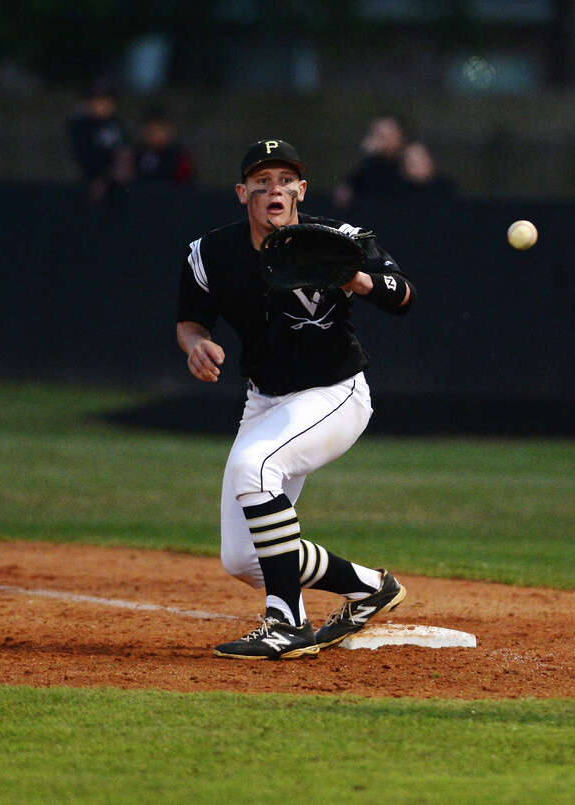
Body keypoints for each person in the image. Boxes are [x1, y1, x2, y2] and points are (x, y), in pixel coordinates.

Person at [176, 139, 415, 659]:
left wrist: (355, 278)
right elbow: (191, 320)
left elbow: (404, 294)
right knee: (244, 559)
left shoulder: (336, 238)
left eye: (285, 181)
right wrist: (197, 344)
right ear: (243, 194)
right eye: (261, 183)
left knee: (252, 466)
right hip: (266, 401)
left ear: (301, 191)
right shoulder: (211, 252)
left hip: (334, 393)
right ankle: (370, 588)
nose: (274, 190)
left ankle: (287, 623)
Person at [65, 78, 134, 203]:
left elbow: (126, 151)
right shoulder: (80, 125)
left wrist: (118, 169)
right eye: (98, 100)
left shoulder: (117, 125)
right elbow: (83, 155)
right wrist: (100, 177)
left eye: (106, 100)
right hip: (87, 186)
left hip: (117, 188)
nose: (102, 105)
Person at [334, 116, 408, 207]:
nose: (384, 140)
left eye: (387, 135)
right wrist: (365, 154)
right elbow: (345, 190)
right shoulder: (370, 163)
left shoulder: (408, 161)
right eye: (379, 135)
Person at [134, 105, 196, 186]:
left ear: (168, 130)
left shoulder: (179, 156)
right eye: (150, 129)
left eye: (159, 129)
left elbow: (187, 185)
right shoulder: (136, 153)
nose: (154, 134)